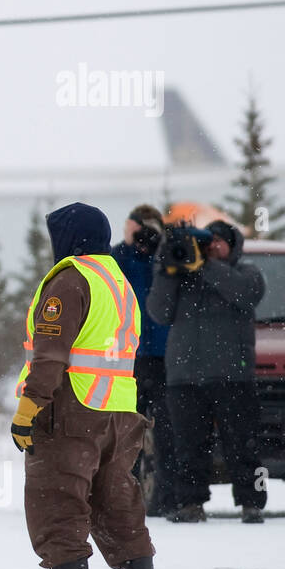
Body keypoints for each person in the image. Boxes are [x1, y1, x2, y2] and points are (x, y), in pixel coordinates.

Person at [10, 202, 159, 569]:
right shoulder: (118, 280)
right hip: (119, 408)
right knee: (117, 501)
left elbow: (50, 353)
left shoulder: (70, 279)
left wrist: (30, 405)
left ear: (69, 237)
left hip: (73, 408)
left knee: (56, 498)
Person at [147, 219, 267, 523]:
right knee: (186, 447)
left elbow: (245, 293)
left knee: (242, 445)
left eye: (218, 241)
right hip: (184, 376)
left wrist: (205, 266)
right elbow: (158, 312)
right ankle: (189, 504)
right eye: (206, 241)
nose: (212, 246)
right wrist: (167, 268)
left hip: (232, 376)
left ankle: (251, 504)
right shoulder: (183, 278)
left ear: (232, 245)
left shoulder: (246, 272)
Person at [111, 205, 175, 515]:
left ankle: (164, 495)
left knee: (165, 429)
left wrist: (160, 248)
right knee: (127, 429)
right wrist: (131, 247)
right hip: (129, 357)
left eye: (135, 228)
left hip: (164, 357)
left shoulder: (166, 258)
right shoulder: (119, 258)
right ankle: (125, 494)